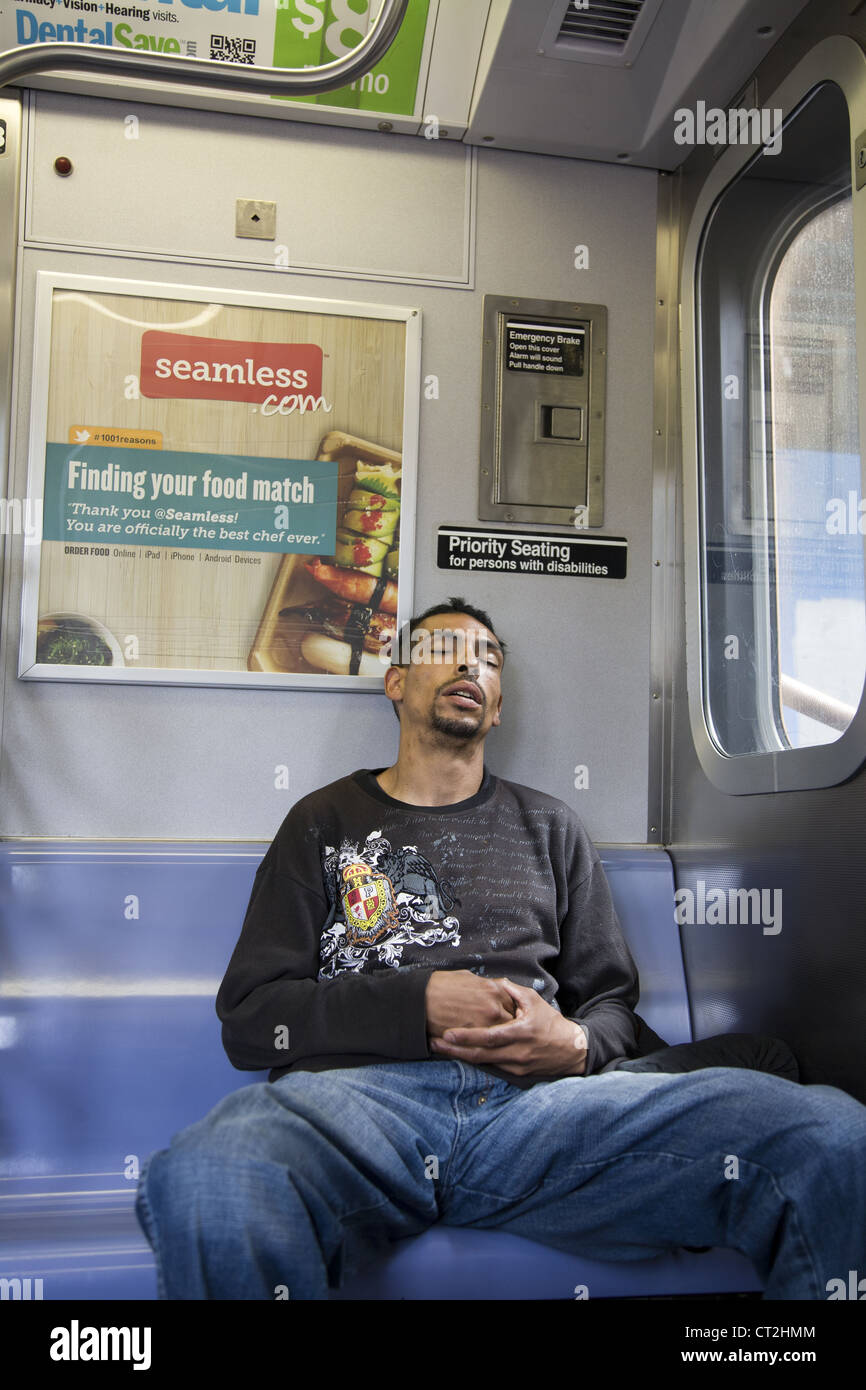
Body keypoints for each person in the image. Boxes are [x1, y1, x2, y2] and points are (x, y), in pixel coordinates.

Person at [135, 598, 866, 1300]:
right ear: (396, 681)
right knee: (207, 1176)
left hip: (542, 1119)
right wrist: (414, 1005)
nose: (470, 668)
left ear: (498, 704)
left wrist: (573, 1043)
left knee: (833, 1136)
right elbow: (253, 1017)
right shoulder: (323, 820)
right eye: (445, 651)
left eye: (488, 661)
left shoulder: (552, 826)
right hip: (360, 1112)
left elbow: (612, 1008)